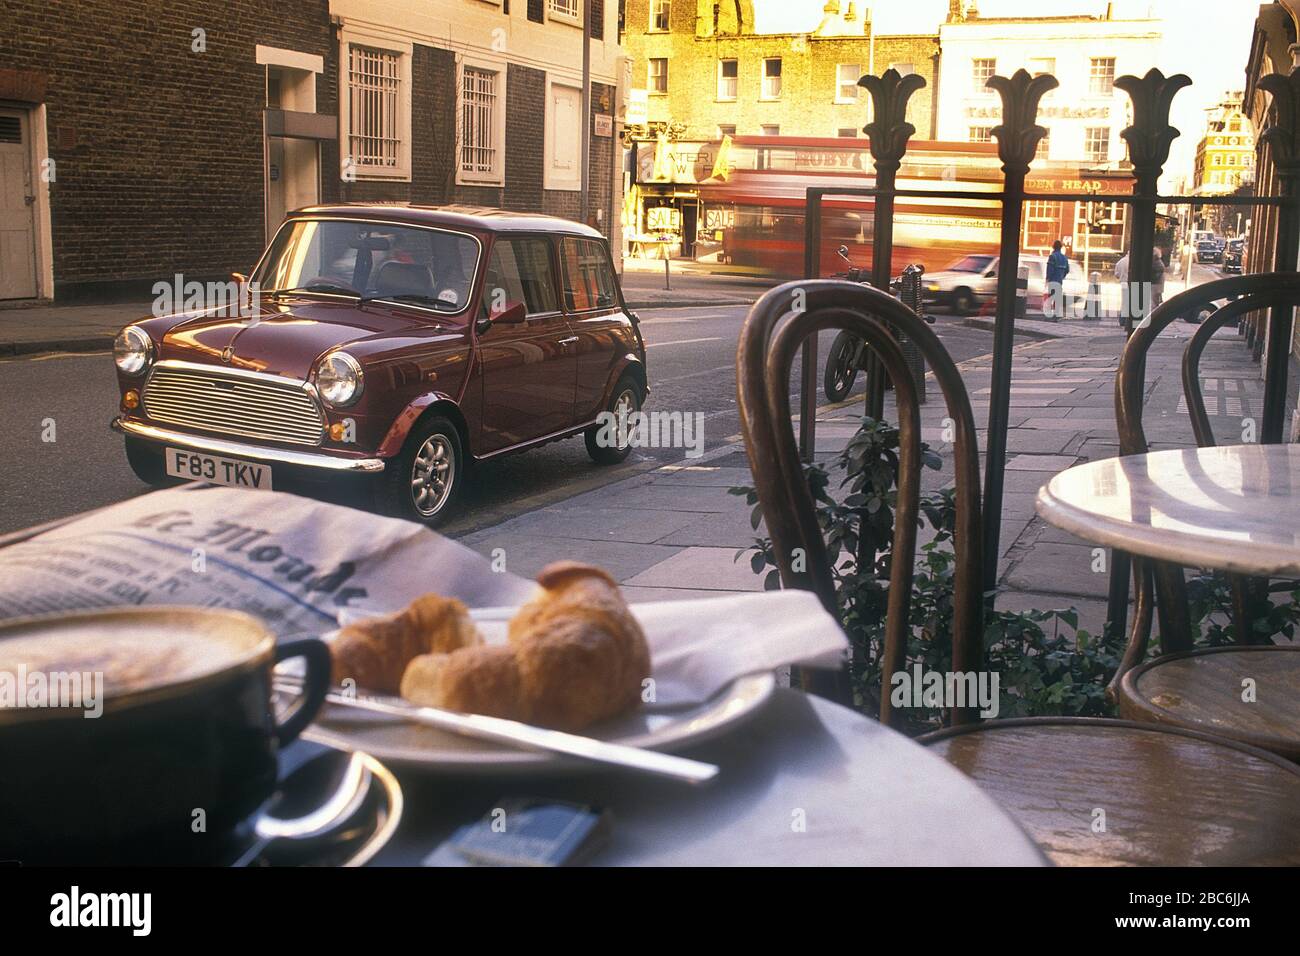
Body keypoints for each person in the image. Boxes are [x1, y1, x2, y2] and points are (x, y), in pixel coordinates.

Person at [1044, 239, 1069, 318]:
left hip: (1053, 280)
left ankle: (1048, 315)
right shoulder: (1064, 258)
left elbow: (1050, 269)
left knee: (1050, 297)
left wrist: (1048, 279)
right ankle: (1056, 314)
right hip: (1059, 281)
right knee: (1057, 298)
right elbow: (1067, 270)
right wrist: (1062, 276)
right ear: (1061, 247)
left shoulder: (1052, 256)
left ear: (1053, 247)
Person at [1113, 250, 1130, 325]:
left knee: (1124, 302)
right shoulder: (1133, 261)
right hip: (1131, 283)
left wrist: (1121, 276)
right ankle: (1126, 320)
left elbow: (1116, 274)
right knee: (1130, 302)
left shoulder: (1121, 261)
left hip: (1123, 282)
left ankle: (1122, 320)